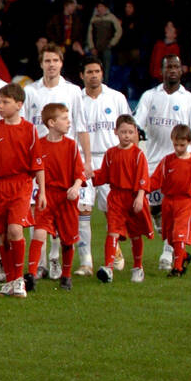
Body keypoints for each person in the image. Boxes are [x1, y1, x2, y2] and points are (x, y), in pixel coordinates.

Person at [21, 44, 89, 278]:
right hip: (39, 158)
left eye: (55, 61)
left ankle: (55, 260)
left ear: (61, 63)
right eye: (47, 61)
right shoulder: (30, 91)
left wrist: (87, 160)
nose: (51, 64)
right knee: (37, 210)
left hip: (65, 159)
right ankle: (38, 264)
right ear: (41, 64)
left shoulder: (73, 91)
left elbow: (81, 127)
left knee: (64, 217)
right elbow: (25, 127)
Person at [135, 55, 191, 270]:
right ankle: (175, 247)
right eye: (169, 67)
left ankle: (168, 253)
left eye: (176, 66)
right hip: (154, 161)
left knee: (177, 209)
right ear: (162, 70)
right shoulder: (149, 96)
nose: (173, 70)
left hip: (181, 163)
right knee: (158, 210)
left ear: (181, 71)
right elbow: (137, 125)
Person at [75, 55, 132, 277]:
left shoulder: (116, 98)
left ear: (102, 73)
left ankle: (115, 251)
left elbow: (129, 128)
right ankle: (86, 262)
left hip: (111, 160)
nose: (94, 75)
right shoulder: (76, 100)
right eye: (89, 72)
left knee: (113, 212)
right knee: (83, 210)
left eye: (97, 71)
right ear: (82, 76)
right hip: (84, 159)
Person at [0, 83, 39, 298]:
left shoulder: (29, 129)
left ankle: (19, 280)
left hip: (21, 184)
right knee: (2, 235)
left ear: (18, 105)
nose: (0, 106)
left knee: (16, 230)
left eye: (5, 102)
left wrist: (41, 191)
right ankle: (9, 280)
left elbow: (37, 163)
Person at [29, 103, 86, 290]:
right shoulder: (40, 144)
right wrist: (41, 191)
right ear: (52, 122)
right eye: (64, 118)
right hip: (47, 195)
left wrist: (76, 187)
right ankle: (31, 274)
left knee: (68, 239)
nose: (69, 122)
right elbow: (36, 170)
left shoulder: (71, 145)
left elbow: (79, 172)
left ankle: (66, 275)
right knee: (39, 230)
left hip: (67, 197)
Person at [94, 115, 154, 284]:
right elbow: (103, 175)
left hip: (133, 197)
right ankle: (109, 268)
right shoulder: (111, 153)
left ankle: (138, 266)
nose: (127, 135)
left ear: (135, 133)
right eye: (123, 132)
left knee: (135, 234)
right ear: (116, 132)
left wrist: (140, 196)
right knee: (112, 231)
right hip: (115, 198)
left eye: (130, 132)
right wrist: (90, 176)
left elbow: (143, 177)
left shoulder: (138, 154)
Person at [148, 125, 191, 277]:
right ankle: (184, 256)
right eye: (176, 145)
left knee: (179, 233)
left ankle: (178, 268)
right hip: (168, 202)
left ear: (189, 143)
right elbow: (155, 181)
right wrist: (142, 187)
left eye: (182, 145)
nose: (179, 148)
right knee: (170, 236)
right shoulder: (167, 161)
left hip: (185, 202)